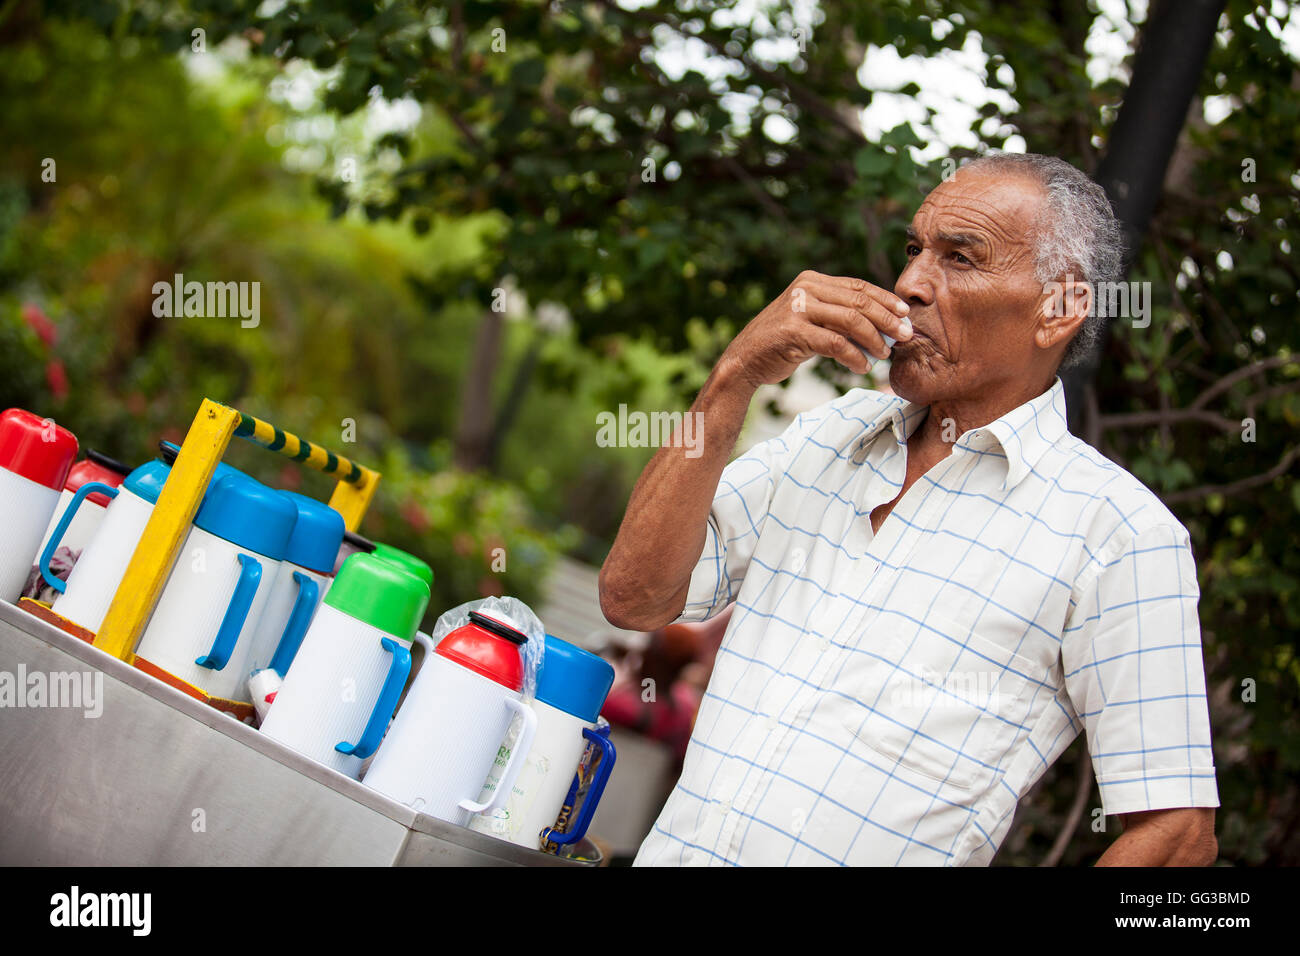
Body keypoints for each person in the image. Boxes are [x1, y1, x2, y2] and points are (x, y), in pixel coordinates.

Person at [599, 153, 1219, 866]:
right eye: (915, 250)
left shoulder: (1118, 534)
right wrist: (734, 375)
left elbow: (1175, 835)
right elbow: (634, 598)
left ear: (1060, 308)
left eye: (961, 258)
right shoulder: (827, 435)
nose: (910, 284)